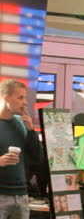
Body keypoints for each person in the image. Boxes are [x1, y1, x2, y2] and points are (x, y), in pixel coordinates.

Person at [0, 79, 41, 219]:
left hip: (22, 194)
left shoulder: (22, 124)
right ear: (6, 98)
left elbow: (38, 157)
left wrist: (31, 131)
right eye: (20, 97)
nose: (25, 102)